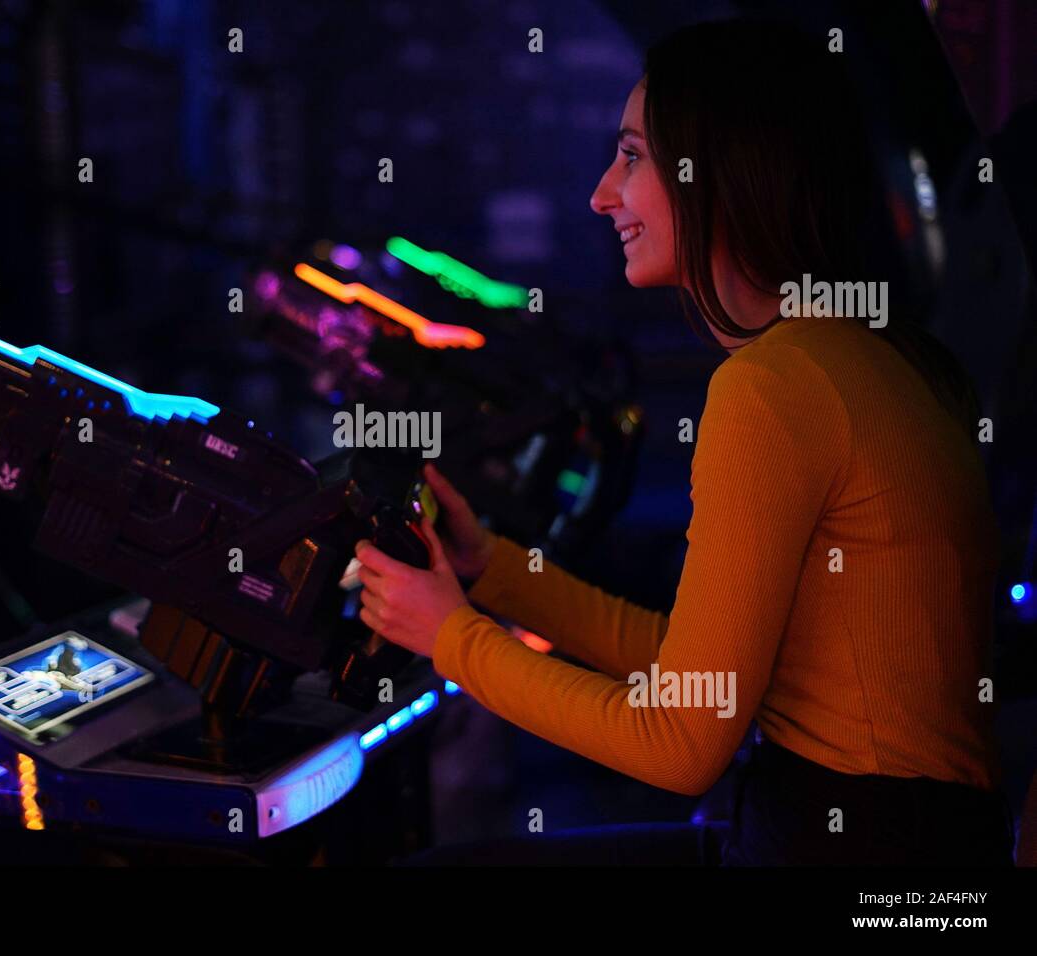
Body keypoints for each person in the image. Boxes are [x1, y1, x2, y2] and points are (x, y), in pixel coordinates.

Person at [355, 19, 1014, 865]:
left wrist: (449, 636)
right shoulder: (868, 354)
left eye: (632, 156)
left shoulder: (774, 389)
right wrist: (494, 572)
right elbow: (694, 670)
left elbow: (679, 742)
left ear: (721, 172)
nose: (601, 193)